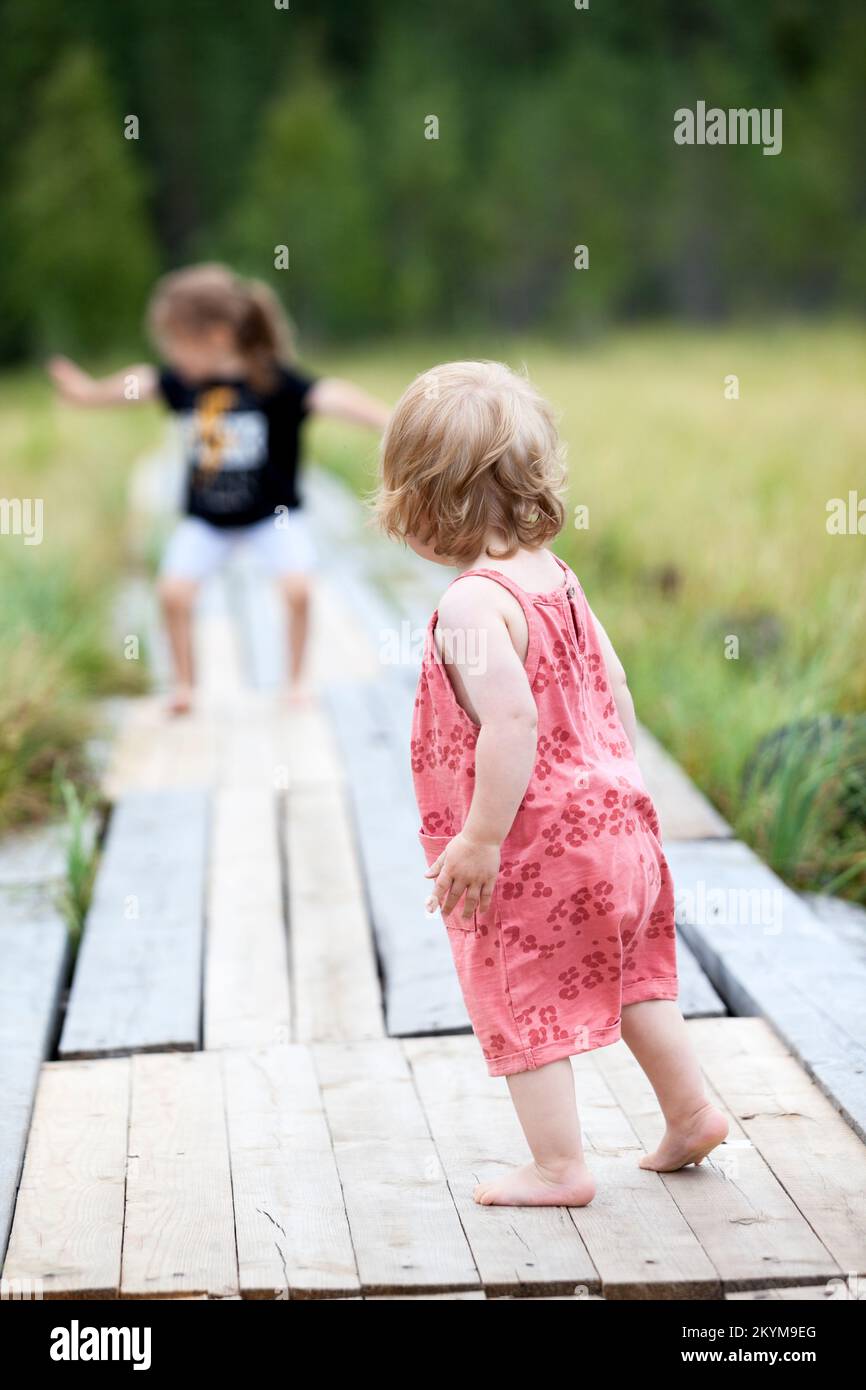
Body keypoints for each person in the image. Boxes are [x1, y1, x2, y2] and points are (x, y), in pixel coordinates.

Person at [375, 360, 729, 1208]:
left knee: (517, 990)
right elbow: (613, 682)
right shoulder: (554, 576)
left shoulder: (471, 605)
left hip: (533, 848)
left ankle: (560, 1168)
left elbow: (511, 724)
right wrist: (620, 787)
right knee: (635, 977)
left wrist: (481, 838)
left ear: (425, 505)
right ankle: (693, 1112)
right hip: (618, 824)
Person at [49, 262, 390, 713]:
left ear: (217, 336)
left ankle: (296, 682)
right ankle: (185, 687)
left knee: (298, 589)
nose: (171, 358)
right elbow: (137, 382)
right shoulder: (183, 383)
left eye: (176, 344)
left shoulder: (272, 382)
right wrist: (89, 394)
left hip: (273, 516)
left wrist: (390, 420)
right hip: (208, 520)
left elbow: (330, 396)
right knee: (173, 593)